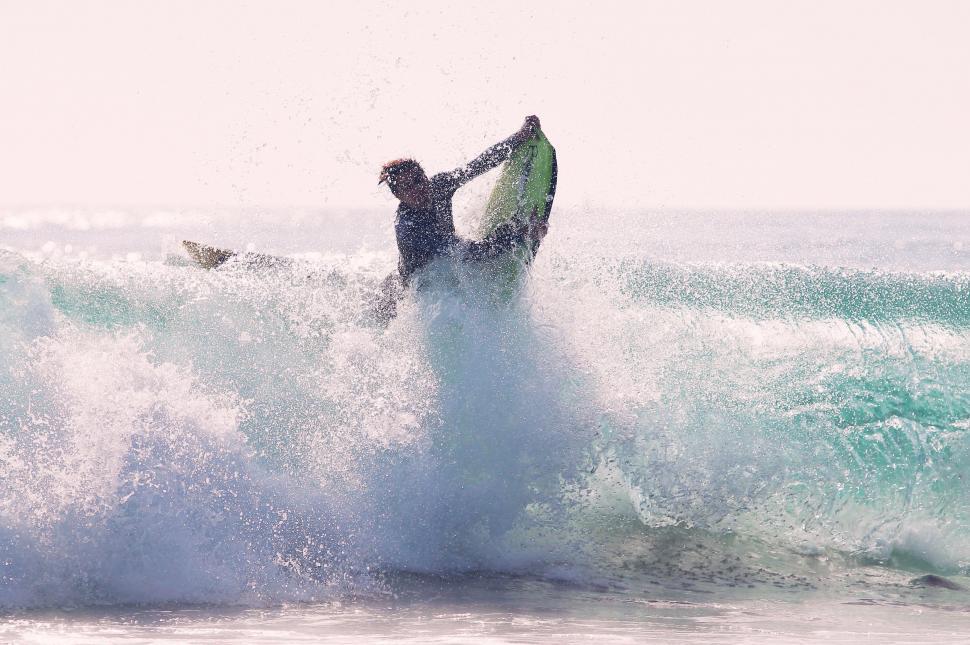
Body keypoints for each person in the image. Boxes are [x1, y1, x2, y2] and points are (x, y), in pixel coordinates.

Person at [373, 115, 546, 319]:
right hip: (410, 289)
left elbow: (478, 165)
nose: (417, 188)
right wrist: (520, 232)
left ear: (425, 175)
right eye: (407, 187)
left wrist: (518, 137)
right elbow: (469, 253)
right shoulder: (410, 228)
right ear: (398, 195)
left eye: (419, 179)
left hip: (443, 263)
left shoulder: (439, 185)